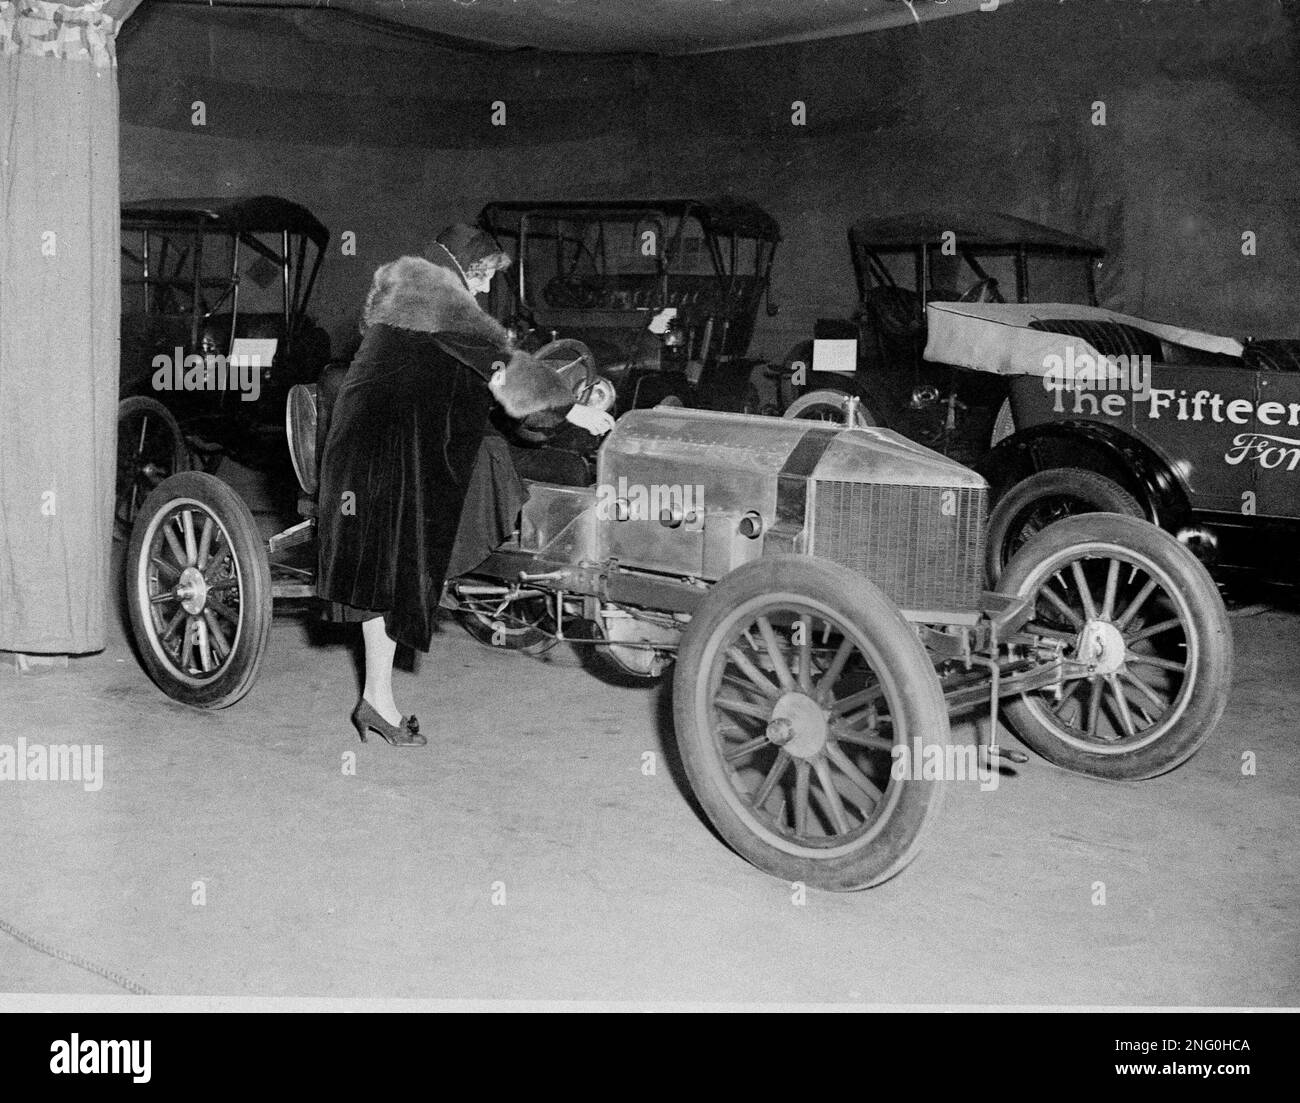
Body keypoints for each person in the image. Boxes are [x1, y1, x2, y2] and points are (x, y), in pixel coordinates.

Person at [317, 228, 614, 747]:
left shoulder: (407, 301)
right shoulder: (440, 304)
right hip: (385, 455)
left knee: (385, 576)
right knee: (402, 560)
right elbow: (503, 373)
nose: (480, 292)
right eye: (479, 278)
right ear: (461, 269)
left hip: (369, 449)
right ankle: (381, 695)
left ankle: (375, 701)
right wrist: (574, 409)